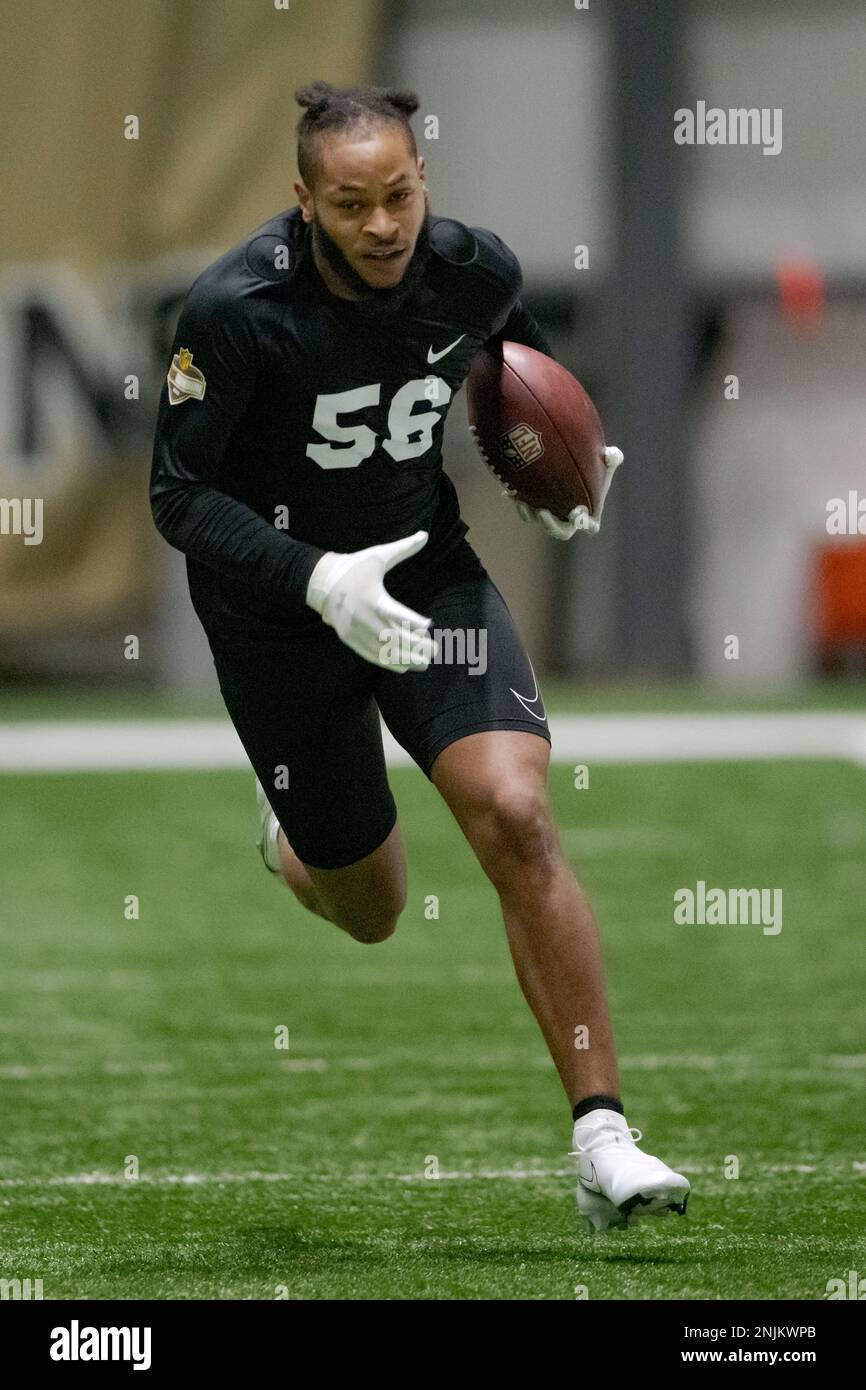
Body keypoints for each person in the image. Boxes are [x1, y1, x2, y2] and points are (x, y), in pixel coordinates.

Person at [150, 79, 689, 1232]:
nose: (383, 225)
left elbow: (524, 377)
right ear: (302, 201)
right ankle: (290, 828)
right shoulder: (235, 309)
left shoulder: (470, 268)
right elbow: (177, 494)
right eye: (351, 205)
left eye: (399, 194)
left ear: (422, 182)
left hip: (422, 578)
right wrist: (311, 578)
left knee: (516, 812)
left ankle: (603, 1135)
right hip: (278, 616)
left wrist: (568, 467)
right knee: (371, 907)